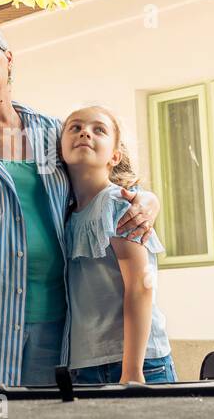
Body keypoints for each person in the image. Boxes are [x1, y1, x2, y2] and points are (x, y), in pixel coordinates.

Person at [0, 20, 161, 387]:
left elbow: (99, 179)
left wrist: (147, 200)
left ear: (8, 59)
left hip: (53, 330)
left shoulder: (51, 131)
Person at [60, 105, 177, 385]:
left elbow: (141, 285)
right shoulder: (64, 215)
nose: (85, 132)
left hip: (138, 363)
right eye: (74, 127)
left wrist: (132, 371)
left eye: (98, 129)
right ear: (60, 148)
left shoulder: (118, 203)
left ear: (115, 155)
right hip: (84, 364)